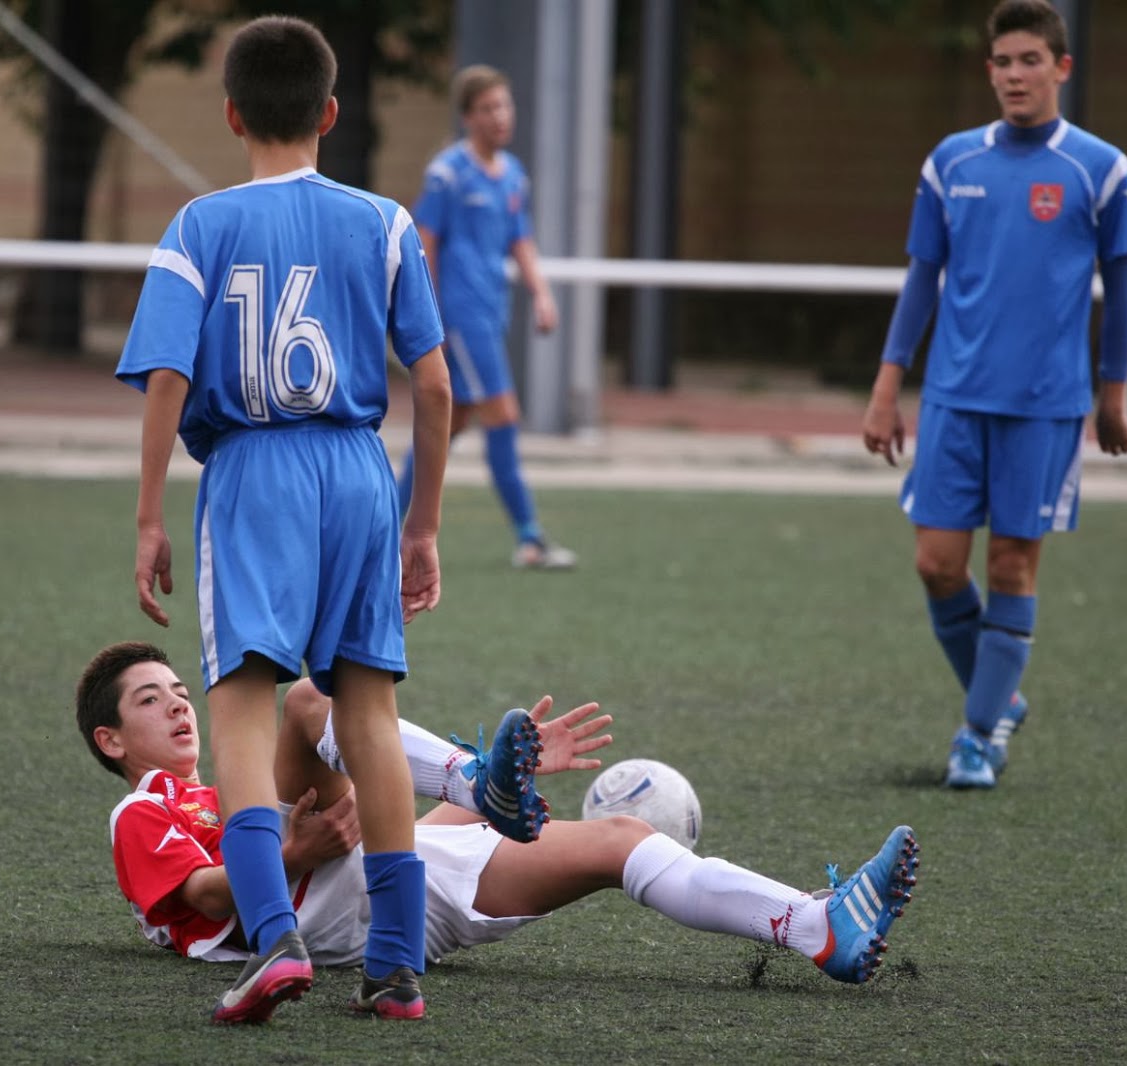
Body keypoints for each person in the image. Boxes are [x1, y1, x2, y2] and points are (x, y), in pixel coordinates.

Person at [114, 17, 455, 1025]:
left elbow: (167, 379)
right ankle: (395, 965)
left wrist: (146, 517)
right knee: (368, 712)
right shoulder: (386, 222)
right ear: (331, 114)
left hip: (252, 468)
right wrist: (421, 524)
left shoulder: (198, 226)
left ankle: (272, 941)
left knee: (243, 706)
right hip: (356, 466)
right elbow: (433, 390)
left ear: (231, 115)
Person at [76, 641, 922, 1022]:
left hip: (392, 883)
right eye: (151, 700)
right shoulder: (140, 810)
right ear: (110, 742)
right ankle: (474, 773)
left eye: (183, 689)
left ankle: (816, 929)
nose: (181, 704)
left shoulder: (231, 789)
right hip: (317, 904)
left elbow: (384, 828)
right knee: (303, 703)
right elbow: (195, 894)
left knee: (621, 837)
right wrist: (291, 852)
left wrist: (481, 809)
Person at [861, 0, 1127, 790]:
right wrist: (887, 388)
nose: (1015, 76)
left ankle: (978, 734)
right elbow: (922, 280)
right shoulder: (951, 162)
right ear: (989, 71)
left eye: (1030, 61)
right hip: (954, 397)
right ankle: (1003, 693)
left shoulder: (1102, 169)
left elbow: (1121, 294)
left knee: (1014, 564)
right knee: (936, 562)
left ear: (1062, 68)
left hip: (1047, 404)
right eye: (1003, 62)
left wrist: (1112, 394)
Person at [394, 65, 575, 571]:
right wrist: (427, 313)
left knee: (444, 429)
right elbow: (422, 242)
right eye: (488, 108)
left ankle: (377, 529)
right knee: (504, 416)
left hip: (492, 314)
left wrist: (541, 293)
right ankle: (530, 537)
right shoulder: (448, 173)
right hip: (462, 318)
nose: (500, 116)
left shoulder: (514, 174)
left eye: (505, 106)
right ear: (467, 117)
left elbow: (521, 239)